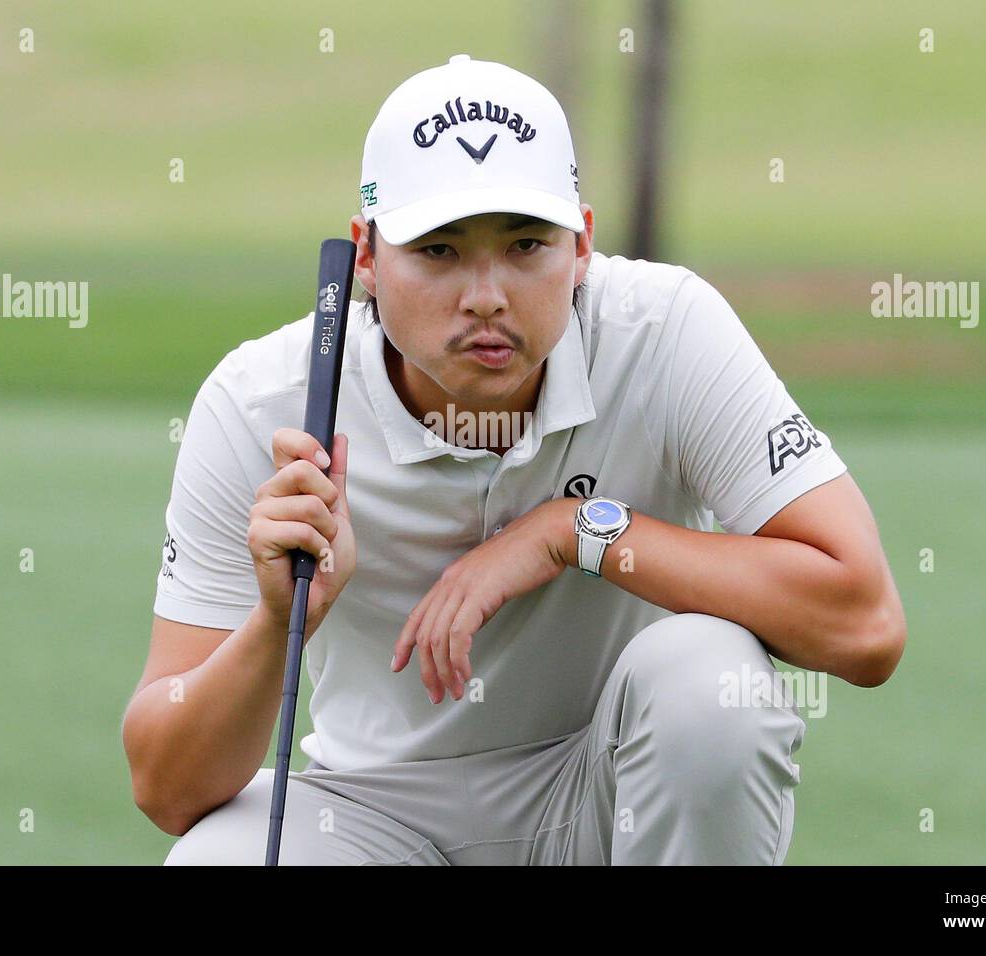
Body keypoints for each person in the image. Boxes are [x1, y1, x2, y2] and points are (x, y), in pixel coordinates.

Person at [121, 54, 906, 865]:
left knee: (710, 682)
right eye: (438, 250)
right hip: (368, 818)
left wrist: (576, 532)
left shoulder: (664, 332)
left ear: (583, 245)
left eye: (527, 244)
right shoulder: (264, 403)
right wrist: (278, 622)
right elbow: (168, 788)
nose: (486, 296)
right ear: (366, 257)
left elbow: (866, 625)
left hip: (605, 796)